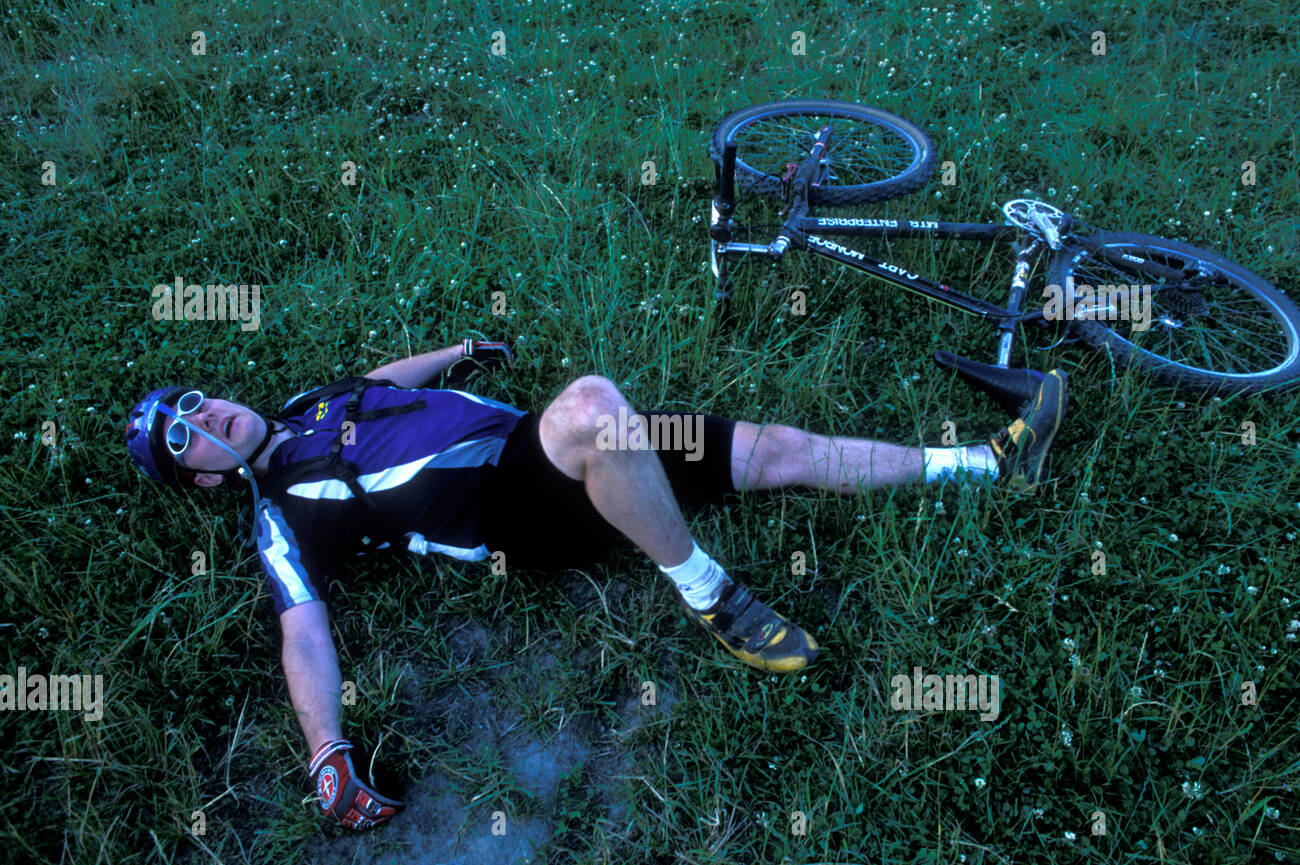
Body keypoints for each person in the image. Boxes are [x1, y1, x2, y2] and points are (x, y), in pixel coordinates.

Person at [125, 339, 1067, 828]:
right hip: (516, 509)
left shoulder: (302, 408)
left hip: (540, 441)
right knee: (591, 407)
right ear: (203, 477)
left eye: (196, 398)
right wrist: (326, 751)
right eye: (187, 432)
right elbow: (304, 632)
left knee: (772, 452)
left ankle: (987, 465)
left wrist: (450, 356)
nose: (209, 412)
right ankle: (710, 595)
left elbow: (373, 382)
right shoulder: (277, 516)